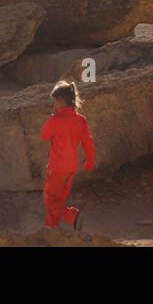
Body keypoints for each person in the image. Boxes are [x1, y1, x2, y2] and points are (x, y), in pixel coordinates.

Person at [39, 80, 94, 230]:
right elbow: (87, 142)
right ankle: (52, 226)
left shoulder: (55, 119)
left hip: (57, 166)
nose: (53, 105)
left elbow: (43, 135)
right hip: (71, 166)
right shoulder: (80, 120)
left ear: (61, 101)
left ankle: (72, 216)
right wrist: (89, 161)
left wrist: (54, 115)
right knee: (58, 198)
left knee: (50, 199)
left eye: (55, 101)